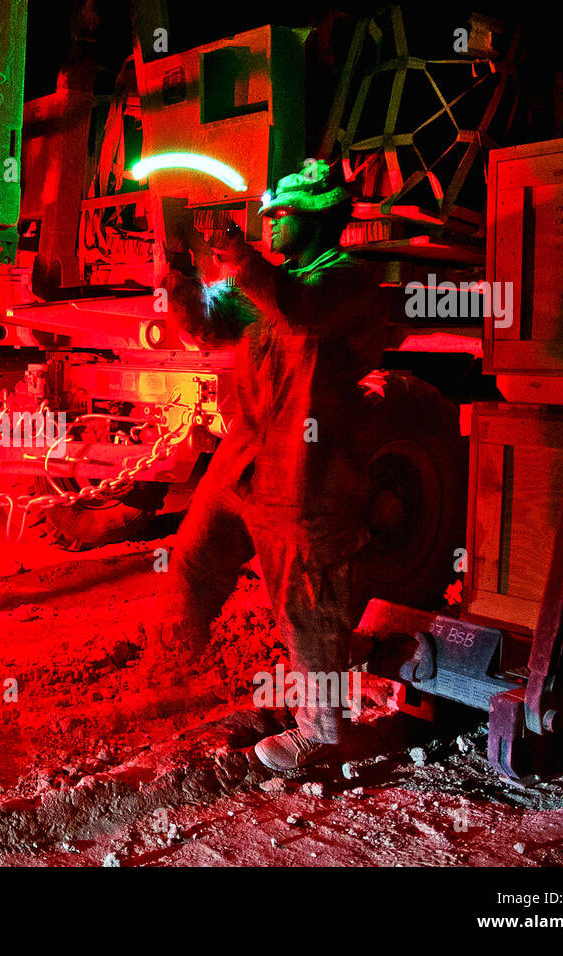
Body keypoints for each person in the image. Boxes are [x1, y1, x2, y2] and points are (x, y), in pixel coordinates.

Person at [159, 159, 389, 771]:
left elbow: (300, 312)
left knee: (308, 603)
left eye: (281, 214)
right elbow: (205, 325)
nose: (269, 223)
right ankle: (170, 676)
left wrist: (241, 260)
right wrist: (179, 266)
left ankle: (325, 732)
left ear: (319, 220)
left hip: (310, 473)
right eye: (267, 216)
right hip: (247, 459)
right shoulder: (266, 281)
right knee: (194, 559)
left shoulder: (349, 282)